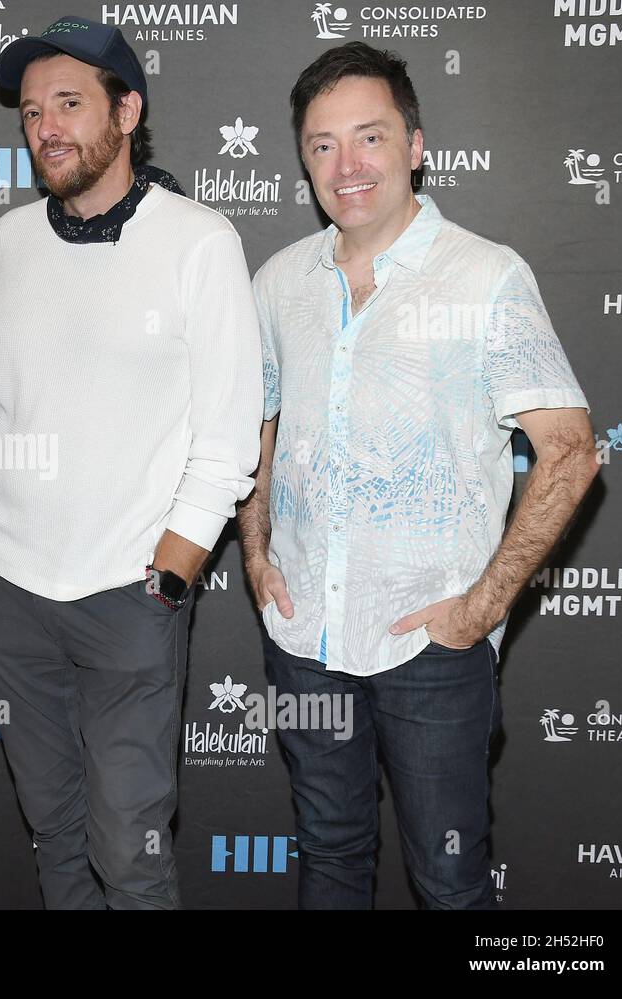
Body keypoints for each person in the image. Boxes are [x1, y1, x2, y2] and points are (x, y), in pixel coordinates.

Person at [237, 42, 599, 908]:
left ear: (416, 144)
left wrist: (481, 607)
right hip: (305, 640)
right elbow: (257, 425)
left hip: (430, 650)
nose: (347, 164)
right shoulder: (281, 282)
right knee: (327, 855)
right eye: (322, 145)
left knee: (448, 880)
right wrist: (256, 553)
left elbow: (572, 450)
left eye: (369, 137)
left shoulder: (485, 276)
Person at [0, 16, 263, 909]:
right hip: (12, 586)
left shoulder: (199, 241)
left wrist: (171, 575)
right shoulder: (10, 240)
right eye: (30, 113)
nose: (47, 127)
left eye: (69, 103)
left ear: (126, 110)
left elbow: (229, 431)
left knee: (130, 855)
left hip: (130, 595)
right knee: (54, 837)